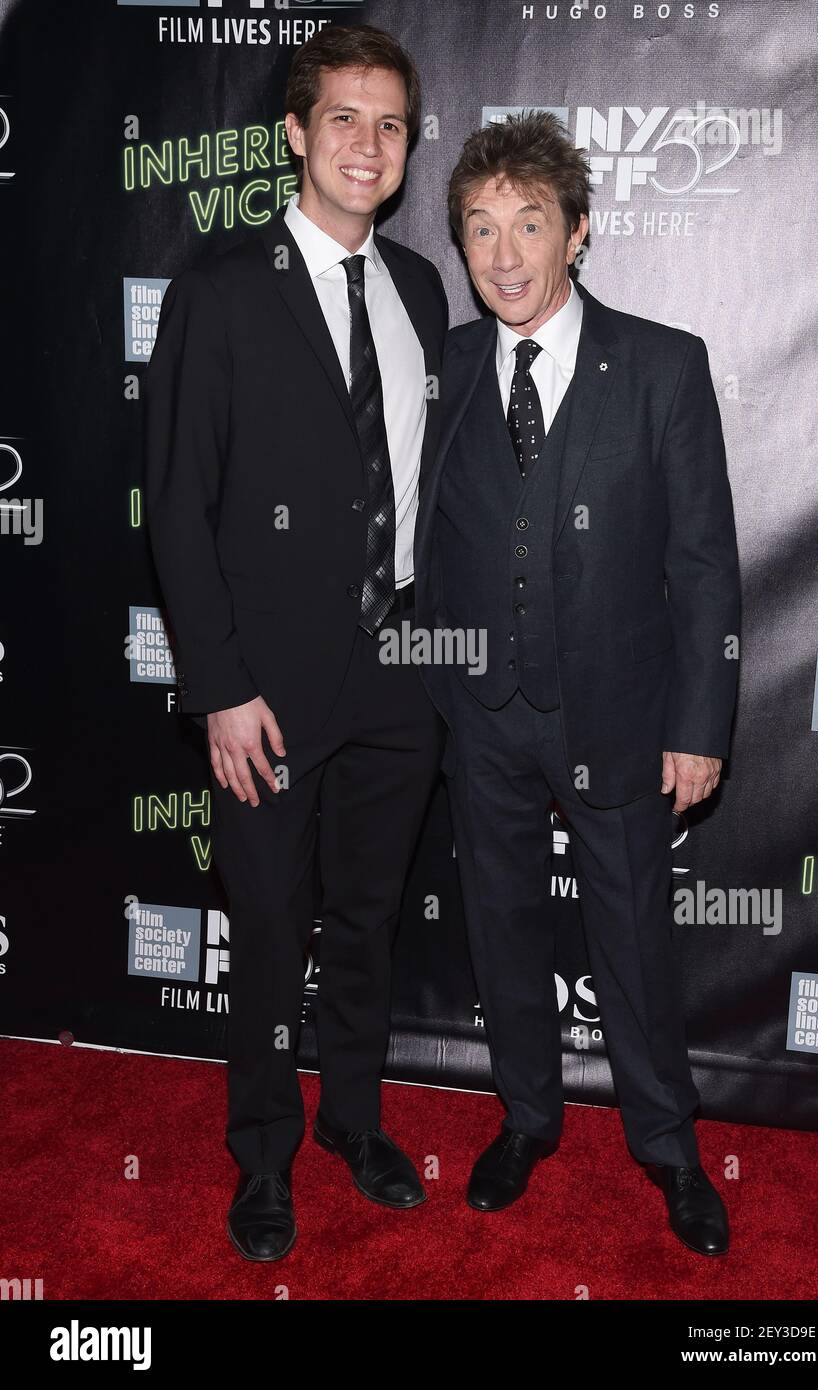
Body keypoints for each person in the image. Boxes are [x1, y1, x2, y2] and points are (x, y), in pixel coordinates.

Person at [144, 25, 447, 1262]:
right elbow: (175, 506)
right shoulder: (218, 291)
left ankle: (354, 1120)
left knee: (367, 918)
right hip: (264, 684)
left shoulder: (421, 289)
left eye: (389, 124)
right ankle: (263, 1154)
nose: (366, 144)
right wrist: (218, 686)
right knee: (270, 928)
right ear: (293, 134)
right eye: (342, 119)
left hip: (402, 671)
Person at [414, 111, 741, 1256]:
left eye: (527, 224)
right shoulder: (446, 368)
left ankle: (668, 1146)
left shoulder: (661, 364)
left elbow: (701, 564)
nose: (502, 255)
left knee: (632, 936)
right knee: (500, 926)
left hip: (618, 711)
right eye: (478, 227)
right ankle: (525, 1118)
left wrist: (698, 722)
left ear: (578, 231)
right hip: (480, 714)